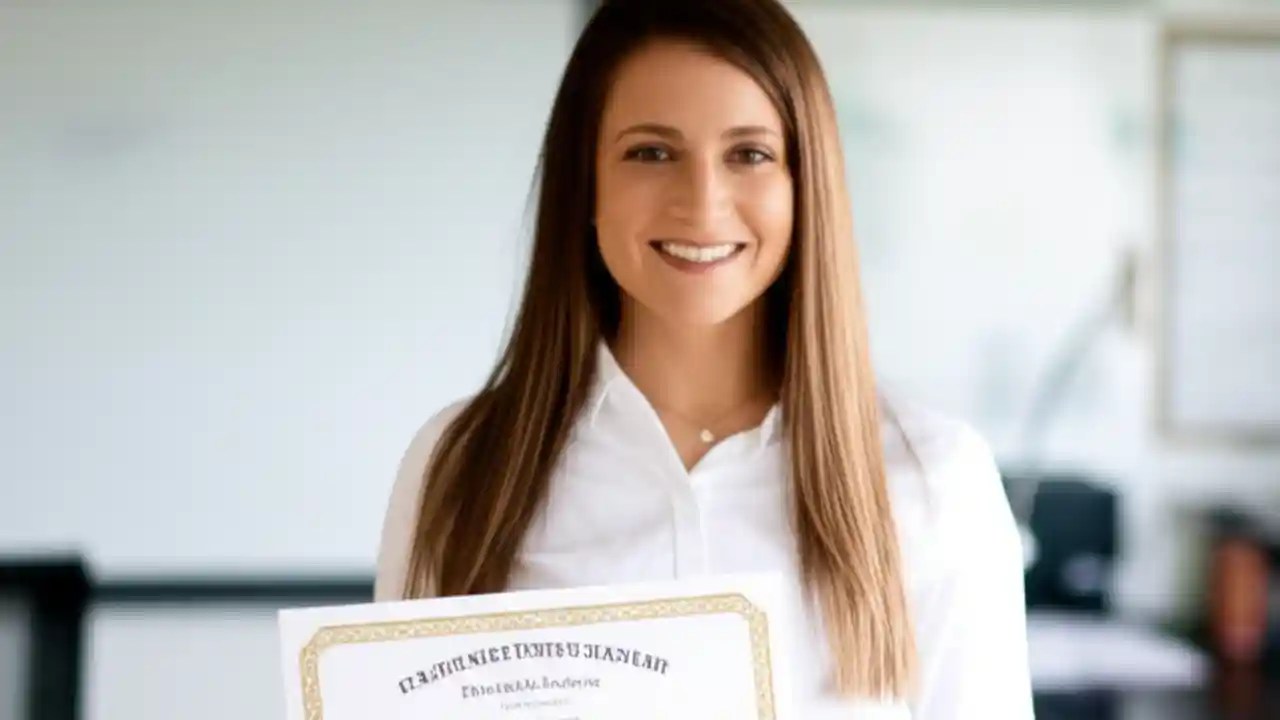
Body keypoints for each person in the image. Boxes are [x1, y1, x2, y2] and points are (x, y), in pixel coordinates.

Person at [375, 0, 1033, 717]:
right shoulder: (462, 465)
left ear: (803, 186)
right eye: (650, 152)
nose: (703, 202)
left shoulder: (937, 479)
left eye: (749, 154)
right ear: (584, 186)